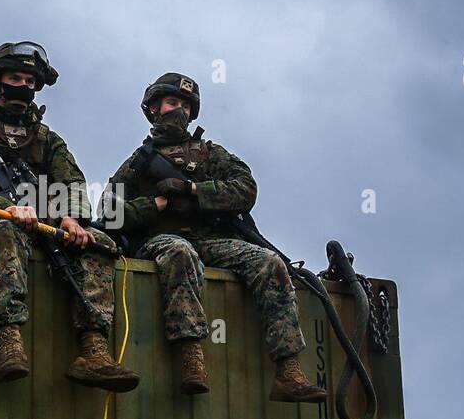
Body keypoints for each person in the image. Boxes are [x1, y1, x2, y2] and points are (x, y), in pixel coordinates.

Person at [100, 72, 326, 400]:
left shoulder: (210, 154)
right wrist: (158, 204)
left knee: (268, 262)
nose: (178, 110)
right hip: (163, 240)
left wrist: (194, 191)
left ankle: (288, 371)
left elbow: (245, 189)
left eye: (185, 105)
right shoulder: (138, 164)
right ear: (153, 108)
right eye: (171, 102)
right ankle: (191, 359)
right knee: (180, 254)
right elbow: (110, 214)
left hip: (211, 239)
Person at [0, 41, 139, 391]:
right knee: (3, 230)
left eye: (30, 81)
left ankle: (94, 350)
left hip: (40, 220)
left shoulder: (47, 139)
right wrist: (7, 208)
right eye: (16, 78)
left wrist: (72, 219)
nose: (24, 87)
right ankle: (9, 340)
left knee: (98, 243)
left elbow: (72, 182)